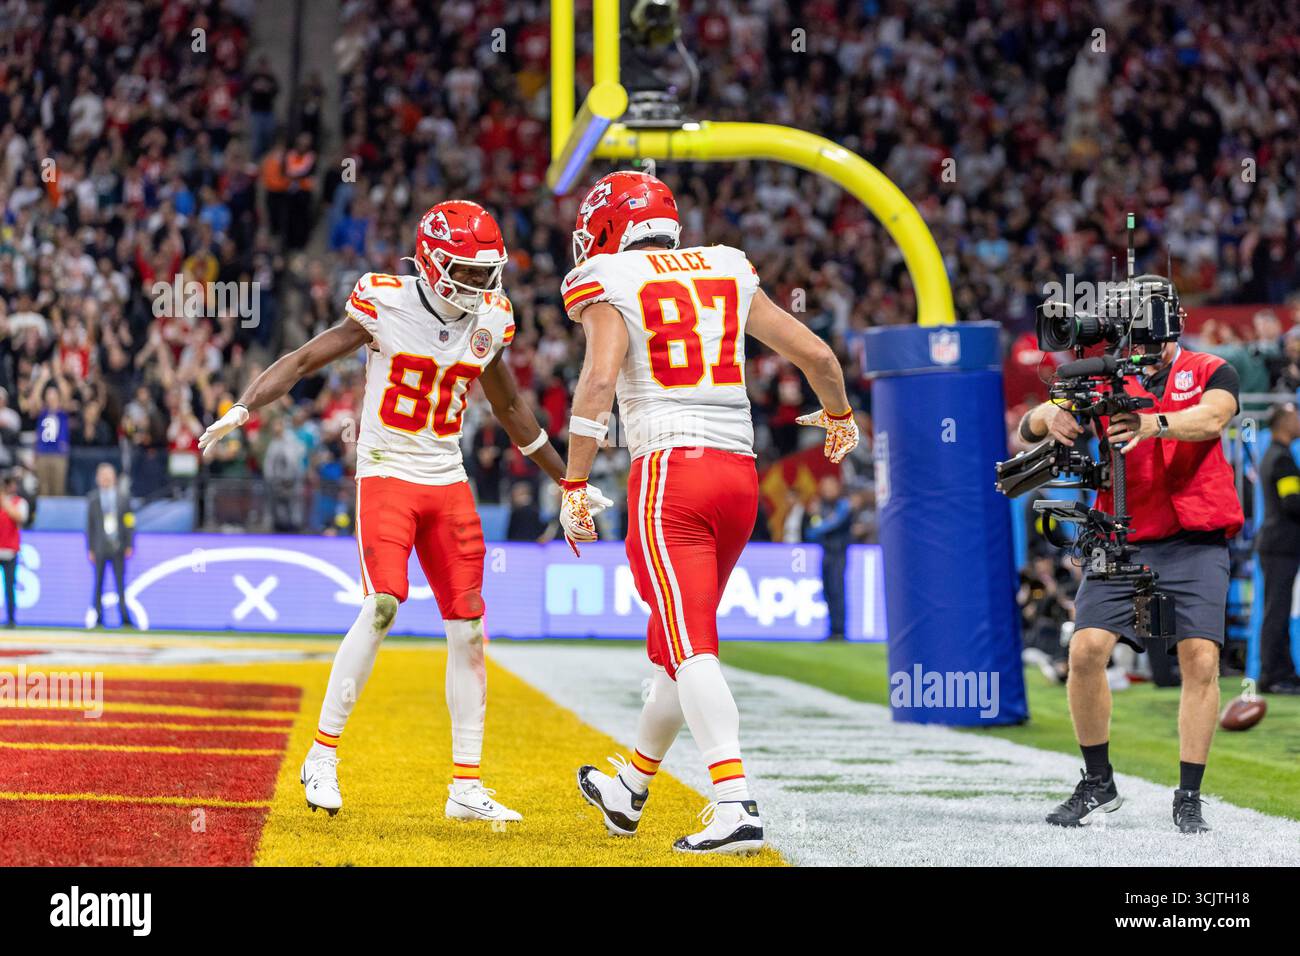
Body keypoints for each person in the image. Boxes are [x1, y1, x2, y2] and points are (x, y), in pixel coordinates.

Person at [199, 200, 613, 822]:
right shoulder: (386, 303)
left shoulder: (492, 317)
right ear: (431, 262)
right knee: (384, 602)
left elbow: (511, 411)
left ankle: (466, 787)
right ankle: (323, 754)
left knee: (470, 626)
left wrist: (569, 481)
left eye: (485, 271)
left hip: (446, 478)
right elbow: (306, 359)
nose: (480, 284)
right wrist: (243, 407)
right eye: (467, 271)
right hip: (388, 471)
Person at [559, 171, 858, 854]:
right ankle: (631, 786)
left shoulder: (604, 275)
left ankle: (733, 801)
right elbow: (815, 353)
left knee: (689, 643)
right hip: (740, 478)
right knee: (675, 642)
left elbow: (600, 379)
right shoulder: (726, 265)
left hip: (671, 475)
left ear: (610, 227)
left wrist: (574, 482)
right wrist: (840, 417)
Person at [1019, 305, 1242, 834]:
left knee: (1201, 659)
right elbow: (1028, 428)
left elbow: (1212, 418)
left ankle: (1189, 793)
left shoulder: (1212, 369)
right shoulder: (1099, 375)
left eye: (1144, 332)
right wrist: (1050, 417)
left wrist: (1153, 422)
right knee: (1085, 650)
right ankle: (1098, 781)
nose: (1135, 343)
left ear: (1167, 329)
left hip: (1195, 539)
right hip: (1121, 536)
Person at [1253, 402, 1300, 695]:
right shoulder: (1282, 459)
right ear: (1283, 422)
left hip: (1279, 545)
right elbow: (1292, 502)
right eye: (1296, 417)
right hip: (1281, 546)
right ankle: (1272, 675)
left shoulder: (1275, 455)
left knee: (1278, 609)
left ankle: (1282, 671)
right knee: (1277, 610)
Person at [803, 474, 853, 640]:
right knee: (827, 591)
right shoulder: (821, 508)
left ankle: (840, 629)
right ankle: (832, 628)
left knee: (837, 589)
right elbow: (811, 532)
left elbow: (832, 524)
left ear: (837, 488)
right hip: (826, 553)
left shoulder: (843, 505)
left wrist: (820, 523)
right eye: (824, 487)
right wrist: (815, 517)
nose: (826, 490)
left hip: (839, 553)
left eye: (830, 487)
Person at [85, 463, 135, 628]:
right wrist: (90, 548)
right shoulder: (93, 499)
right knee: (98, 582)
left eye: (108, 475)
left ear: (114, 478)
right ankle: (98, 616)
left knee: (120, 583)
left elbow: (129, 522)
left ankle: (124, 616)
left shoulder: (123, 498)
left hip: (118, 545)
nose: (106, 479)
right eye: (103, 476)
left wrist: (129, 543)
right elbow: (89, 526)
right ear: (98, 479)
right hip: (100, 546)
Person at [0, 472, 29, 627]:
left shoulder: (20, 502)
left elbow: (19, 518)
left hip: (10, 550)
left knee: (9, 586)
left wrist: (5, 502)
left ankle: (11, 619)